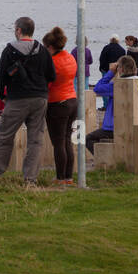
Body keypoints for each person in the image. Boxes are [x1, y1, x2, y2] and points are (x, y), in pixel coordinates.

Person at [0, 16, 55, 185]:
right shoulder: (42, 50)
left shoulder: (9, 50)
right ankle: (30, 178)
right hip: (40, 98)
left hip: (17, 99)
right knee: (35, 139)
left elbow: (0, 79)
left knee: (5, 135)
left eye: (15, 29)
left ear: (19, 30)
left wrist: (2, 95)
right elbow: (52, 75)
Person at [86, 56, 138, 154]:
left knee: (88, 139)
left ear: (120, 69)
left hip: (114, 127)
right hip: (136, 124)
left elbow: (97, 89)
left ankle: (104, 160)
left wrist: (111, 73)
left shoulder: (117, 86)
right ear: (135, 69)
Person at [43, 26, 78, 185]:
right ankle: (69, 177)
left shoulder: (52, 62)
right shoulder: (70, 57)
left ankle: (60, 177)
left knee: (58, 143)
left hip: (57, 104)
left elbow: (48, 83)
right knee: (67, 141)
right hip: (72, 100)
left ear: (50, 47)